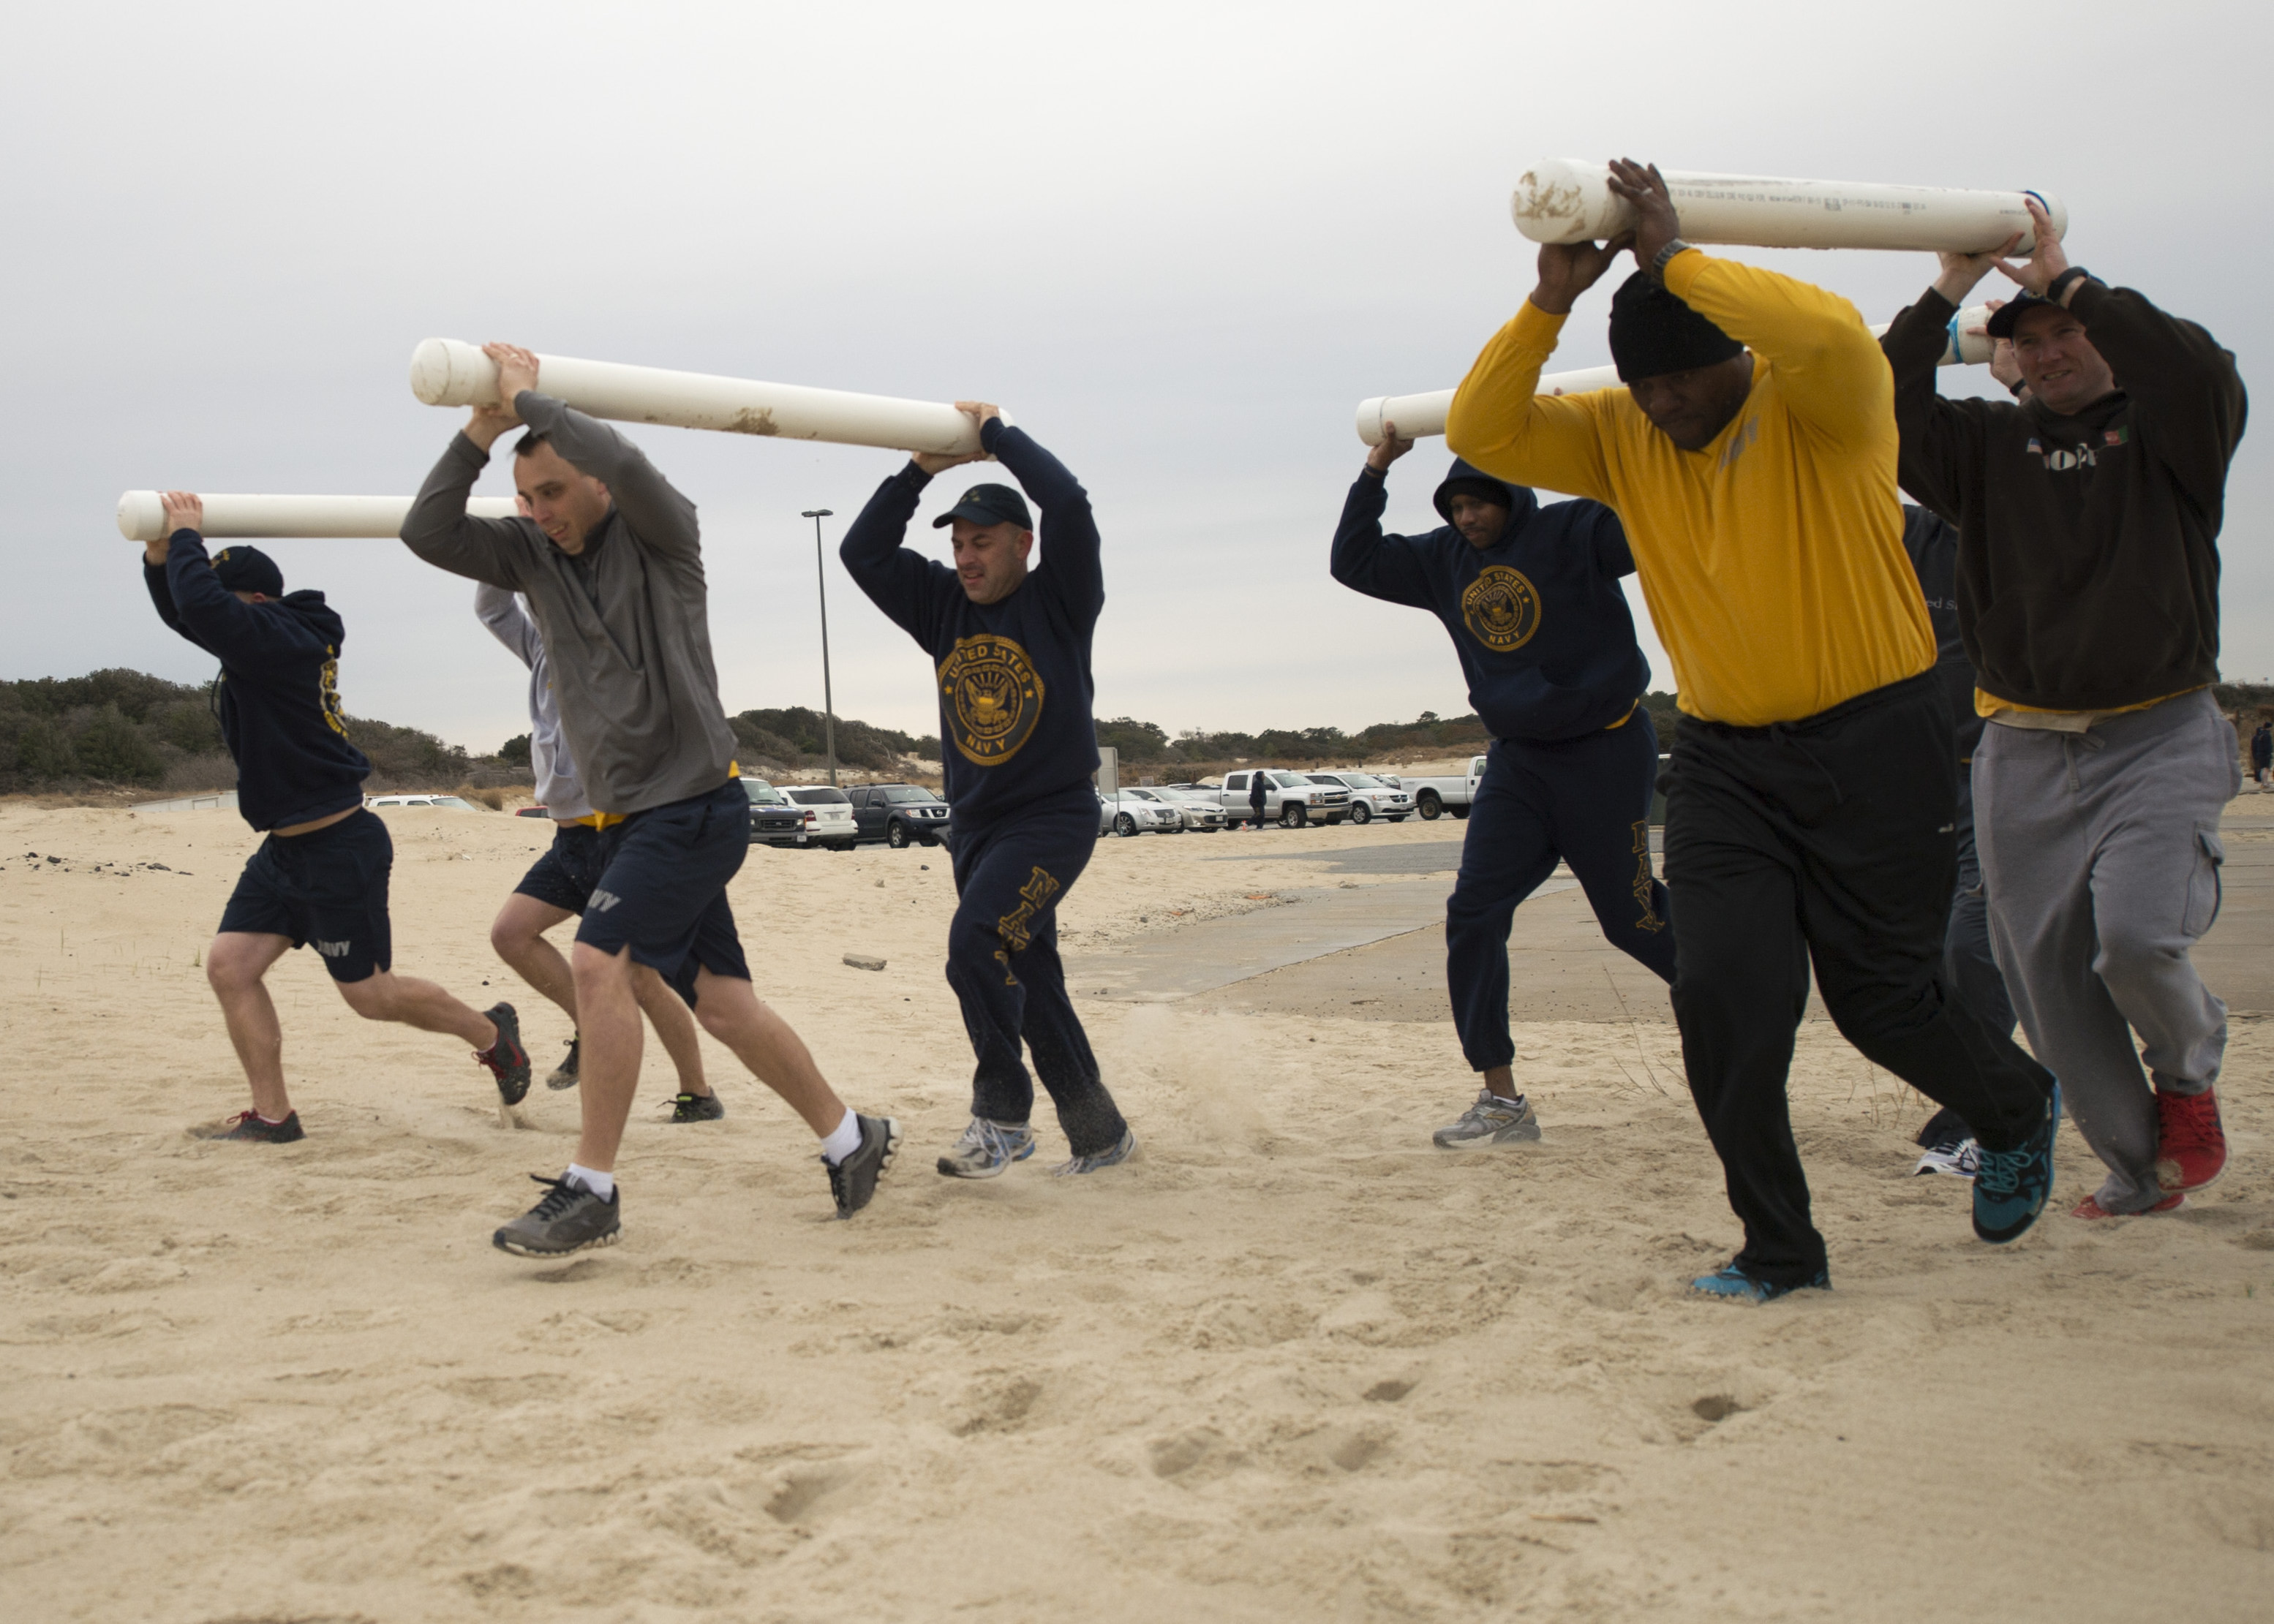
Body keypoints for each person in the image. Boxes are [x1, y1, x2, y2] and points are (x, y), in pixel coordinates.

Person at [1444, 158, 2060, 1302]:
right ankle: (1780, 1247)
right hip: (1725, 759)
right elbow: (1481, 425)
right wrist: (1549, 301)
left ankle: (2016, 1104)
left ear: (1736, 355)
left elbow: (1825, 323)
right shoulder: (1621, 435)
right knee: (1722, 998)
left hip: (1877, 741)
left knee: (1883, 1004)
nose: (1666, 406)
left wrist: (1676, 257)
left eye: (1684, 380)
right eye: (1647, 387)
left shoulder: (1822, 400)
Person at [402, 344, 899, 1255]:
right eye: (529, 498)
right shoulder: (529, 557)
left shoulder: (662, 536)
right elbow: (426, 532)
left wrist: (530, 399)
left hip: (696, 806)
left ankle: (592, 1186)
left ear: (589, 481)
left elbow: (628, 464)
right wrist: (482, 429)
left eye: (554, 491)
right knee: (723, 1005)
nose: (541, 513)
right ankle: (848, 1135)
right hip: (633, 817)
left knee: (599, 962)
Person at [1883, 198, 2246, 1220]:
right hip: (2024, 747)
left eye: (2063, 333)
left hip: (2159, 728)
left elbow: (2197, 366)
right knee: (2046, 986)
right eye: (2027, 340)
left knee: (2133, 938)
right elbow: (1874, 402)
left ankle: (2186, 1075)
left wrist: (2063, 276)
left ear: (2099, 333)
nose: (2046, 353)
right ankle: (2140, 1169)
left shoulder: (2172, 432)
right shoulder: (1985, 452)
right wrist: (1950, 284)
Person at [141, 494, 531, 1140]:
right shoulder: (262, 639)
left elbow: (204, 610)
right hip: (283, 853)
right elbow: (193, 611)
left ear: (256, 604)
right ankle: (274, 1115)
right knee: (230, 967)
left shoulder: (279, 646)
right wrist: (161, 559)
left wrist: (184, 537)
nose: (209, 620)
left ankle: (494, 1035)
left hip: (338, 848)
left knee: (371, 998)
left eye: (223, 599)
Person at [1332, 430, 1674, 1148]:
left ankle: (1738, 1003)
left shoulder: (1574, 530)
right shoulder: (1442, 559)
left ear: (1511, 494)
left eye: (1478, 503)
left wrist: (1621, 444)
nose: (1466, 517)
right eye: (1454, 506)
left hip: (1605, 750)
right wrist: (1374, 471)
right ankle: (1501, 1101)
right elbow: (1352, 560)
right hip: (1518, 762)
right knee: (1474, 912)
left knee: (1631, 917)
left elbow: (1660, 519)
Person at [840, 401, 1137, 1180]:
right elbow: (861, 549)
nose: (966, 558)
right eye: (959, 545)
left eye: (982, 544)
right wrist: (919, 471)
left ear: (1022, 544)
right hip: (974, 829)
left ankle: (1002, 1116)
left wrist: (997, 438)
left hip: (1051, 818)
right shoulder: (941, 606)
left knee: (975, 944)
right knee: (1031, 980)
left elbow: (1068, 501)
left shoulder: (1060, 599)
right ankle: (1100, 1133)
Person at [473, 583, 720, 1122]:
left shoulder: (613, 649)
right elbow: (491, 607)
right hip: (568, 842)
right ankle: (587, 1024)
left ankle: (698, 1092)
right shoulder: (540, 647)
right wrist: (508, 554)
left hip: (619, 837)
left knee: (641, 978)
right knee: (511, 933)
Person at [1894, 498, 2018, 1179]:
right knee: (1922, 956)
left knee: (1970, 943)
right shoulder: (1873, 529)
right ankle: (1977, 1099)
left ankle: (1988, 1122)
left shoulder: (1996, 522)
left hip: (2000, 764)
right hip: (1910, 772)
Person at [1248, 766, 1268, 831]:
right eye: (1263, 775)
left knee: (1262, 815)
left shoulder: (1261, 783)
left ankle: (1259, 828)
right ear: (1260, 776)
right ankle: (1247, 824)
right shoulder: (1256, 784)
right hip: (1256, 802)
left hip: (1261, 802)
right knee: (1259, 814)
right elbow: (1255, 794)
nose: (1264, 776)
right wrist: (1260, 800)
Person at [2252, 720, 2272, 788]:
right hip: (2265, 754)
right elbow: (2267, 746)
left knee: (2262, 769)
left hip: (2260, 754)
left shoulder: (2261, 734)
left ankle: (2263, 782)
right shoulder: (2267, 735)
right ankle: (2265, 783)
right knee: (2266, 769)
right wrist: (2269, 753)